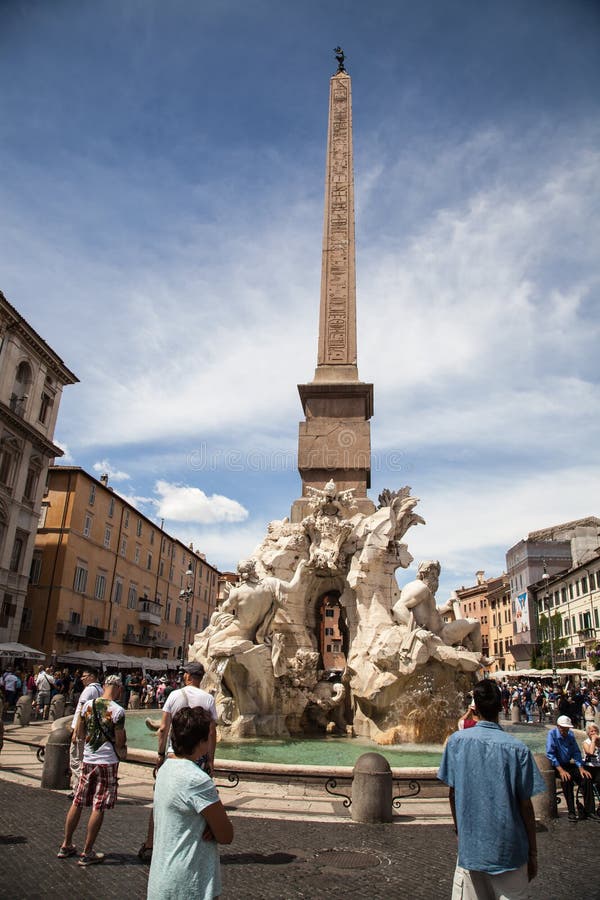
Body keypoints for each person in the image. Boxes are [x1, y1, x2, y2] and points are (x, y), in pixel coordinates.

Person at [438, 679, 545, 899]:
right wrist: (532, 853)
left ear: (474, 706)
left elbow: (452, 794)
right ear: (501, 705)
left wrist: (460, 832)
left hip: (471, 851)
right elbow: (526, 807)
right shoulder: (519, 749)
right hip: (511, 853)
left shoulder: (456, 743)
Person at [147, 707, 233, 900]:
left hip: (161, 879)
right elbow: (226, 834)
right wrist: (212, 825)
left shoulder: (165, 771)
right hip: (189, 884)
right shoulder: (197, 780)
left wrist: (206, 823)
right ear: (203, 741)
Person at [138, 661, 218, 862]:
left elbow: (164, 728)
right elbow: (211, 732)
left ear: (188, 677)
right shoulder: (208, 699)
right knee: (200, 802)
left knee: (161, 800)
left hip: (175, 755)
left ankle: (150, 844)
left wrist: (160, 754)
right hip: (198, 758)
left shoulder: (174, 695)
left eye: (185, 674)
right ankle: (193, 845)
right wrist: (211, 759)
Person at [57, 674, 127, 865]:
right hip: (107, 762)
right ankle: (87, 853)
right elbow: (120, 741)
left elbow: (78, 733)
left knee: (78, 802)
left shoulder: (88, 705)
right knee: (99, 806)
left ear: (104, 686)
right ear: (119, 689)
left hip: (88, 760)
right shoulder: (118, 711)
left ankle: (66, 844)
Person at [546, 714, 594, 821]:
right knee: (566, 779)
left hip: (568, 764)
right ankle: (571, 811)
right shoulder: (552, 734)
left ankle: (590, 811)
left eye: (567, 729)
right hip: (557, 765)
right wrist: (561, 770)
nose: (565, 731)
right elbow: (550, 754)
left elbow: (576, 752)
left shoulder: (570, 735)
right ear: (558, 726)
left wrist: (581, 768)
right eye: (563, 728)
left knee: (586, 778)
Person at [69, 668, 103, 792]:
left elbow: (81, 712)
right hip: (91, 730)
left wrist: (76, 732)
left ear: (92, 677)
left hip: (81, 729)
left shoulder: (88, 690)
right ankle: (86, 787)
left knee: (76, 760)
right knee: (84, 760)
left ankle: (78, 789)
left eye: (85, 676)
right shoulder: (101, 690)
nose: (82, 678)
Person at [582, 723, 600, 816]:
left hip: (598, 767)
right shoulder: (586, 742)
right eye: (591, 731)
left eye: (595, 731)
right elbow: (590, 752)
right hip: (589, 767)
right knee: (587, 782)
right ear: (588, 733)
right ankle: (590, 810)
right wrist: (593, 741)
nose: (593, 733)